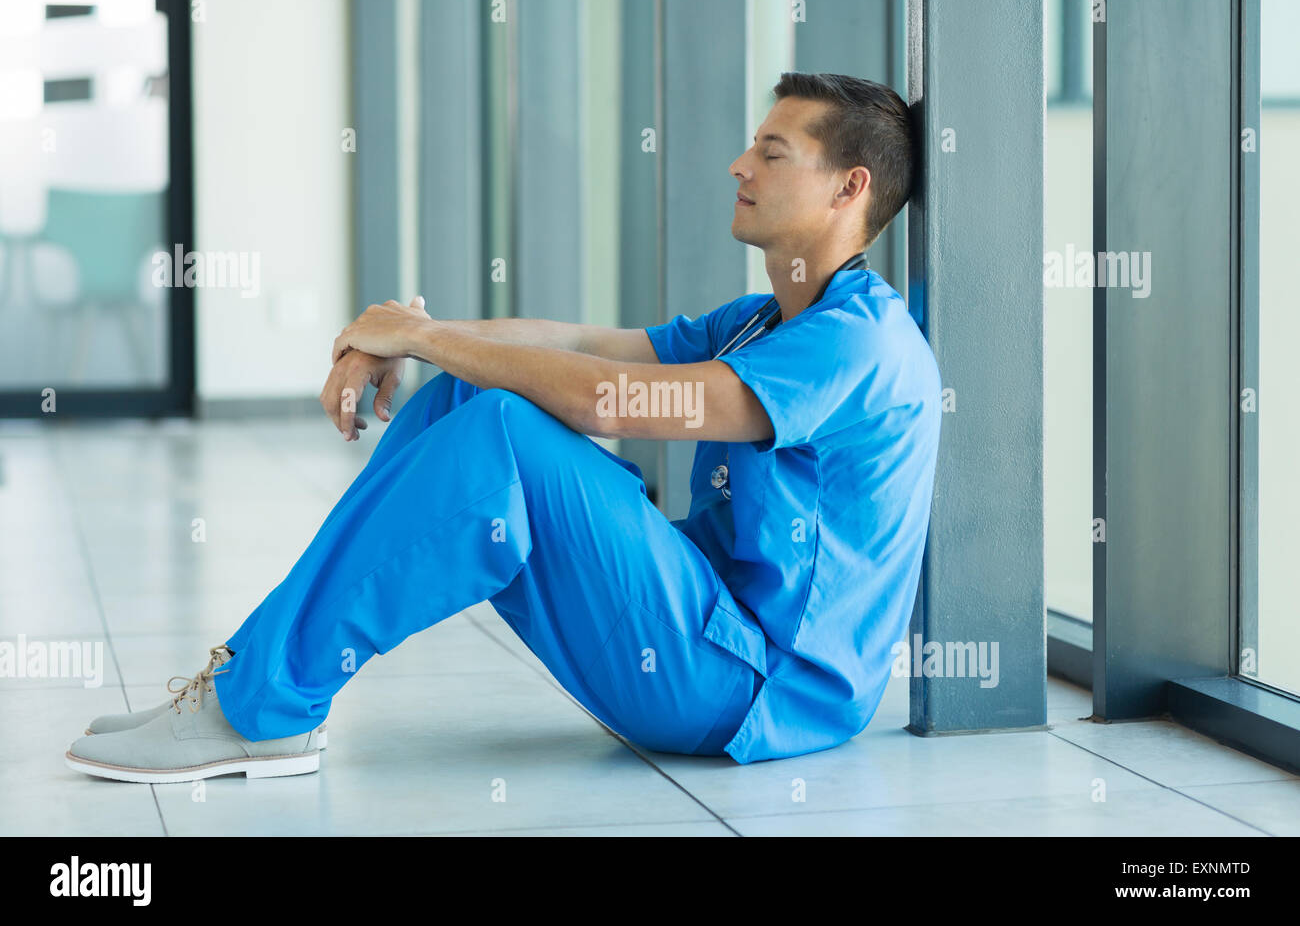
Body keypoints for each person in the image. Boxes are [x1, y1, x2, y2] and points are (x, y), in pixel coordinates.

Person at [66, 72, 941, 782]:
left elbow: (617, 402)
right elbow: (591, 345)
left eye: (771, 151)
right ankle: (253, 689)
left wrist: (423, 338)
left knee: (503, 434)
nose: (738, 164)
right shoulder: (764, 320)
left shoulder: (856, 341)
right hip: (699, 628)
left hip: (750, 685)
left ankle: (257, 706)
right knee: (462, 396)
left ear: (849, 188)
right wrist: (411, 332)